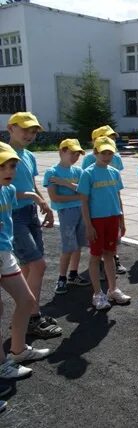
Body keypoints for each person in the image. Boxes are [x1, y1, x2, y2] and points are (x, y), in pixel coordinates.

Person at [6, 112, 61, 339]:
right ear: (11, 128)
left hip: (29, 212)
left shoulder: (28, 155)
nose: (29, 135)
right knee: (38, 265)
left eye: (33, 131)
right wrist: (32, 195)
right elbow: (4, 190)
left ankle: (25, 316)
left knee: (29, 267)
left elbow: (31, 184)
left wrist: (44, 205)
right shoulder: (3, 154)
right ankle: (33, 317)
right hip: (12, 215)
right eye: (25, 129)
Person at [0, 142, 52, 380]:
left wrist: (34, 196)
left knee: (25, 300)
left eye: (11, 166)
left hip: (5, 253)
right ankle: (3, 365)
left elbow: (19, 195)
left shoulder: (8, 190)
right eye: (2, 166)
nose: (8, 171)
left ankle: (18, 351)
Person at [78, 136, 131, 310]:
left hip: (113, 219)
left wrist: (122, 222)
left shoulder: (114, 172)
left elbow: (118, 197)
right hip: (97, 220)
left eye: (110, 153)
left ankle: (113, 289)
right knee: (95, 256)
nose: (107, 156)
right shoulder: (88, 173)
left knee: (110, 254)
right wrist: (88, 225)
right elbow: (84, 202)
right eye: (104, 153)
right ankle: (97, 294)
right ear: (95, 153)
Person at [43, 139, 91, 295]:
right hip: (66, 213)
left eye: (78, 154)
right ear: (62, 151)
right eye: (72, 153)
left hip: (81, 211)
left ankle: (73, 274)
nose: (75, 157)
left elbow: (85, 191)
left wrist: (65, 183)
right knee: (68, 247)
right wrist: (78, 196)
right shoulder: (52, 172)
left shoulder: (78, 172)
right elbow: (55, 197)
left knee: (77, 246)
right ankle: (62, 278)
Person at [82, 125, 127, 274]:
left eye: (113, 137)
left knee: (111, 247)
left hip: (112, 212)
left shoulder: (115, 161)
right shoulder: (89, 163)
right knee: (97, 252)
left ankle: (114, 260)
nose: (112, 139)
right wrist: (88, 224)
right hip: (97, 214)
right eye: (108, 137)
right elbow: (86, 195)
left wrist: (122, 218)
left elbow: (115, 190)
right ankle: (101, 266)